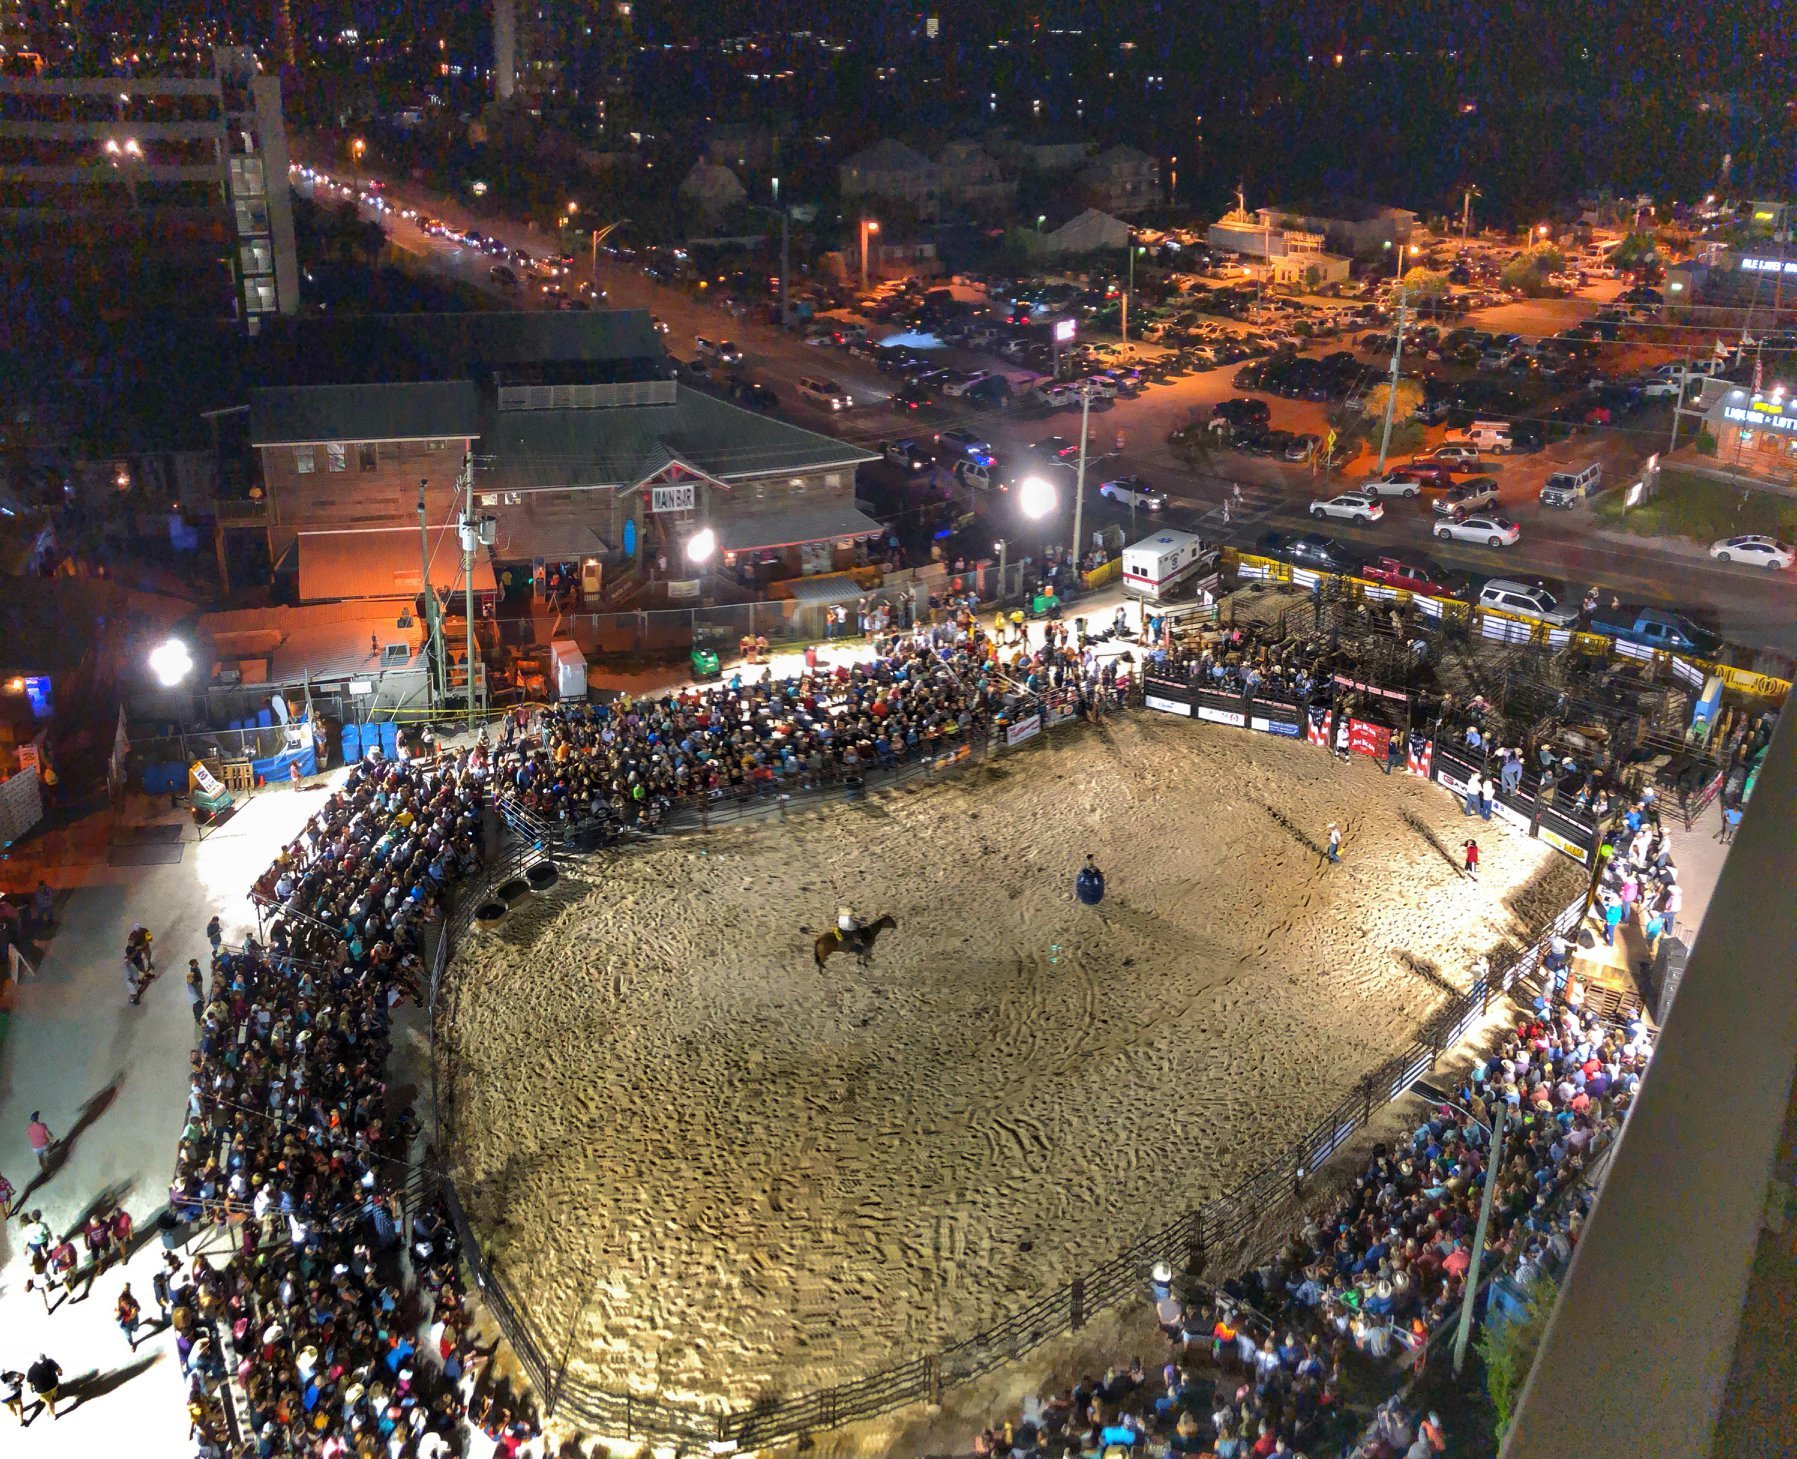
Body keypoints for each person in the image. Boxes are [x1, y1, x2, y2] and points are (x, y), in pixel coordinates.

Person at [25, 1354, 60, 1422]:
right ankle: (54, 1396)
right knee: (54, 1391)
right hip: (53, 1384)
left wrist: (31, 1389)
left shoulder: (31, 1370)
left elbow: (30, 1383)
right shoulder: (50, 1362)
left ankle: (53, 1415)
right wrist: (60, 1373)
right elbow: (59, 1370)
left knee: (49, 1402)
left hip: (42, 1390)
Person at [116, 1284, 142, 1350]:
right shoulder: (120, 1299)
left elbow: (138, 1308)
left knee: (135, 1329)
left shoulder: (132, 1300)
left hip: (133, 1319)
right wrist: (118, 1315)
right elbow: (119, 1311)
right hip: (125, 1321)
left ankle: (137, 1326)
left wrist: (135, 1309)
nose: (125, 1304)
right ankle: (132, 1344)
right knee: (128, 1335)